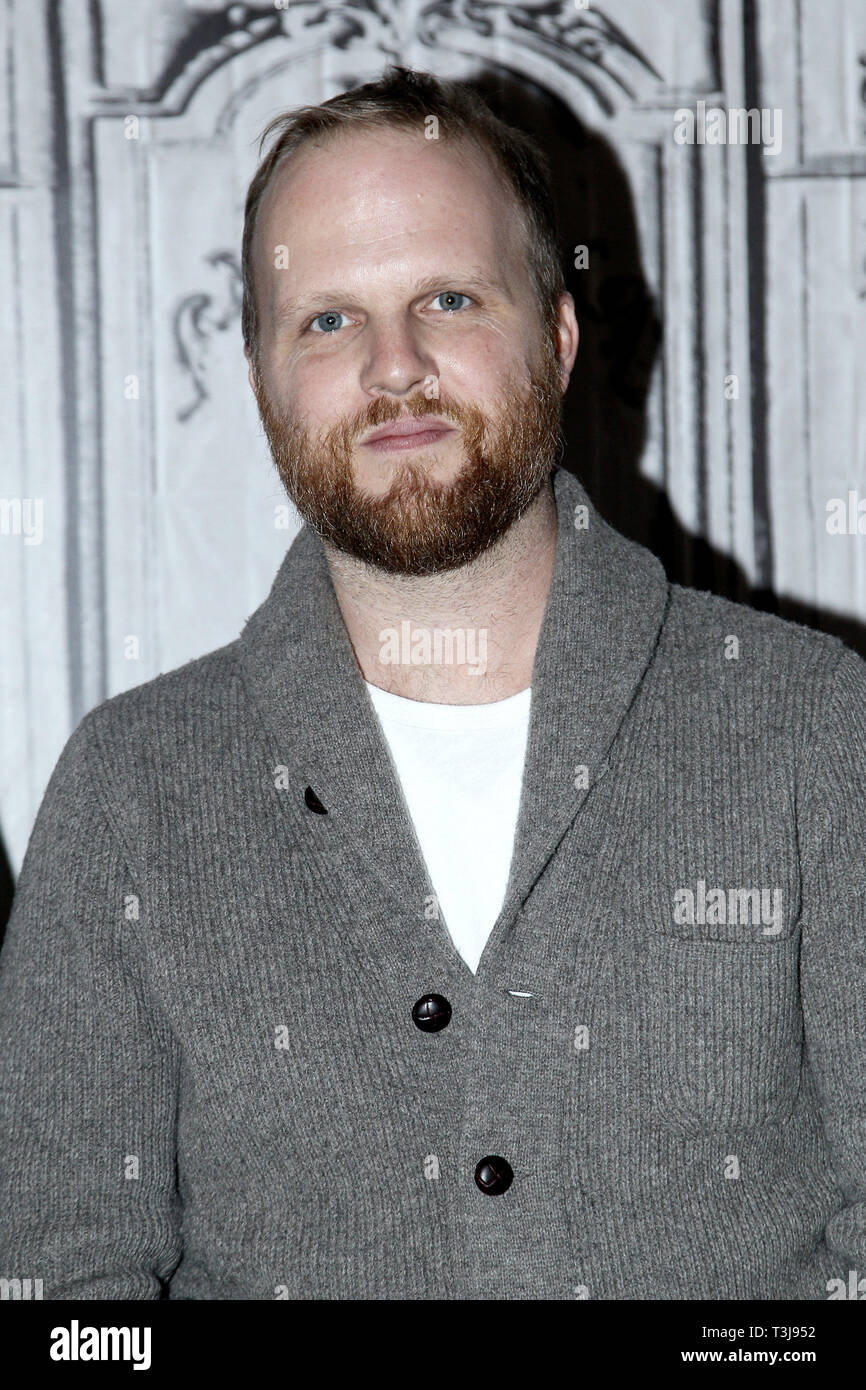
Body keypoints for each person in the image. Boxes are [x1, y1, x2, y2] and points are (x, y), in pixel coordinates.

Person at [1, 66, 864, 1301]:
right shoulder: (129, 791)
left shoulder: (814, 729)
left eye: (448, 299)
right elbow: (56, 1293)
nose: (393, 367)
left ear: (557, 338)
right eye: (327, 320)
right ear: (259, 378)